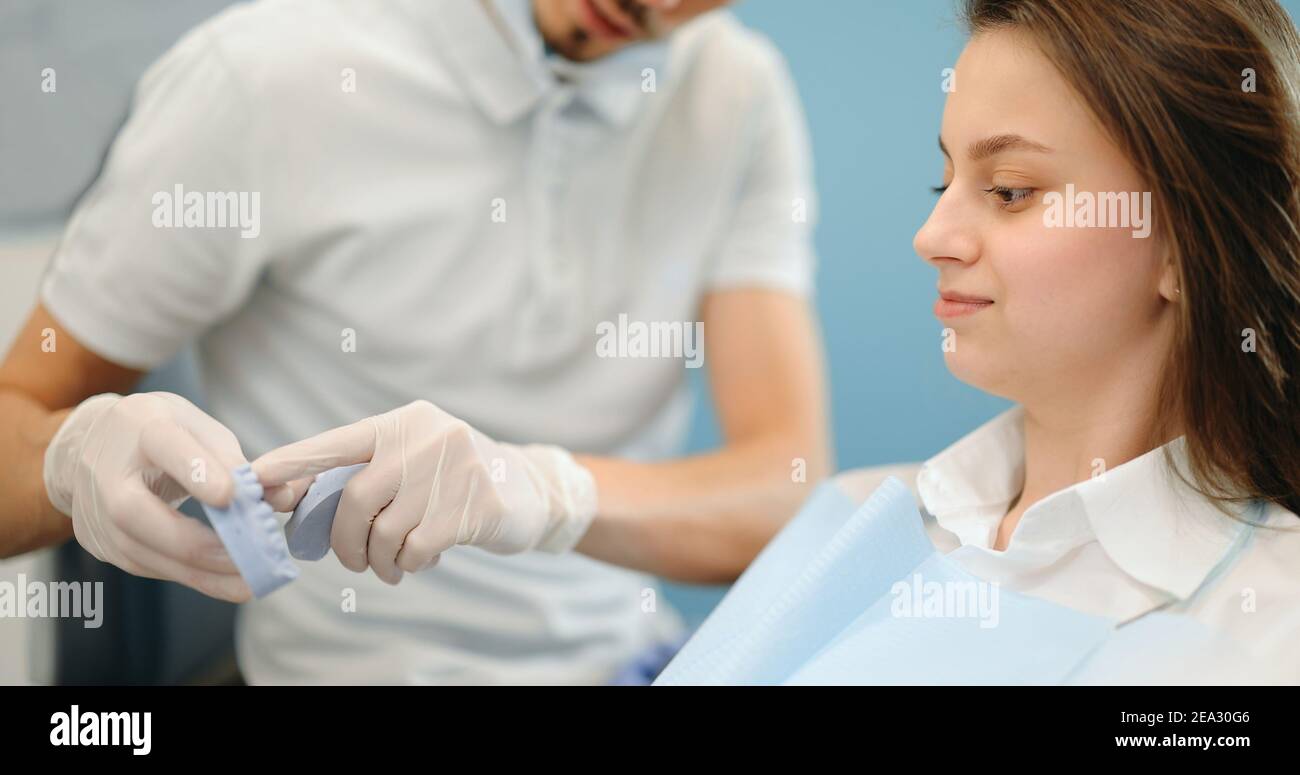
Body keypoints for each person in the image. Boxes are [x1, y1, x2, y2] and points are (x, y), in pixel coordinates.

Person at [0, 0, 832, 684]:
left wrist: (546, 491)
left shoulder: (738, 93)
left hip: (638, 663)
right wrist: (66, 458)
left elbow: (787, 491)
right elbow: (16, 425)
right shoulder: (260, 77)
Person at [658, 0, 1300, 684]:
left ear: (1180, 246)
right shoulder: (863, 513)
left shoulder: (1270, 623)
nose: (931, 236)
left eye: (1009, 190)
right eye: (945, 180)